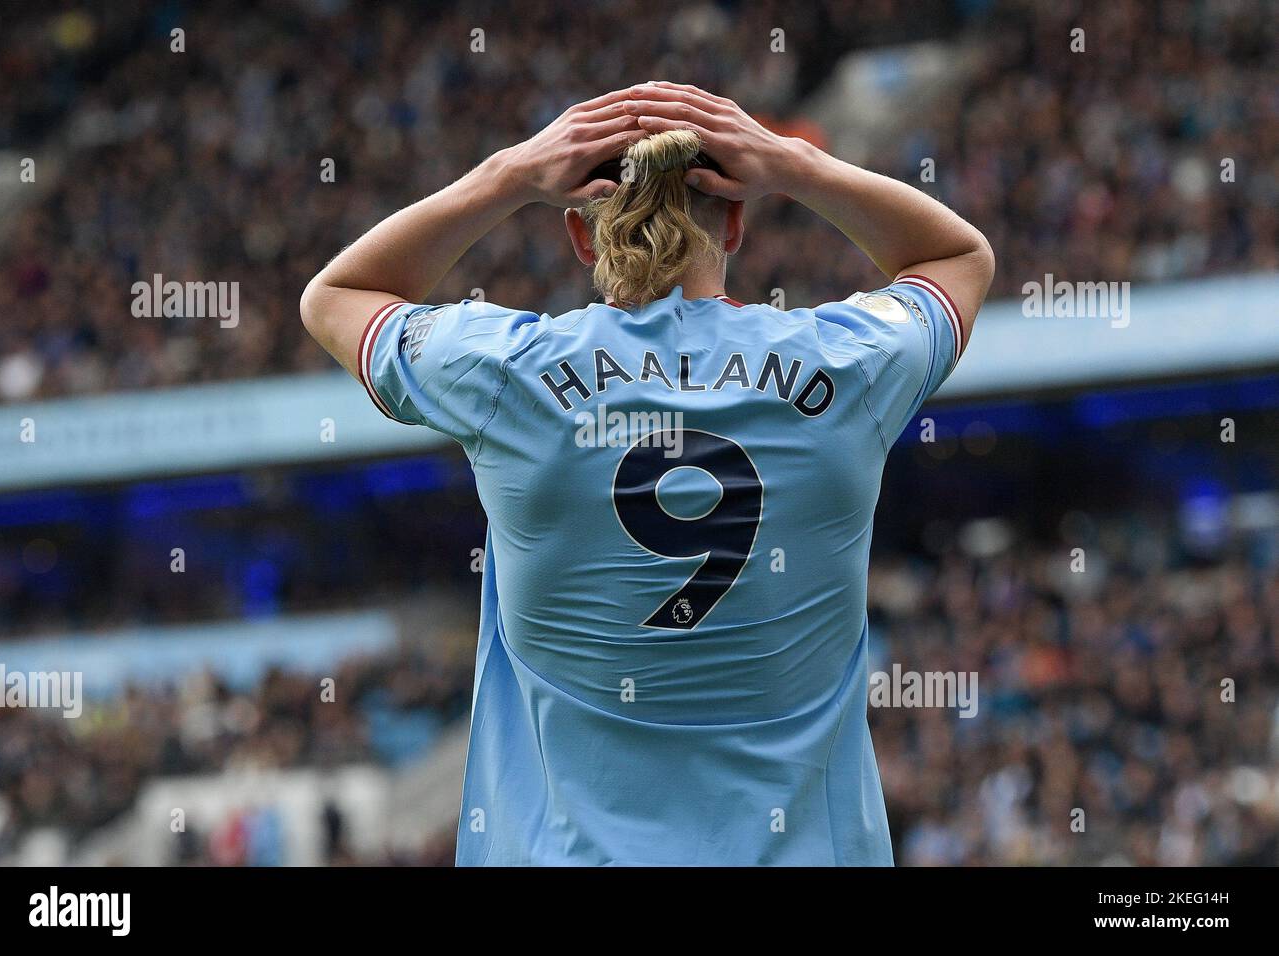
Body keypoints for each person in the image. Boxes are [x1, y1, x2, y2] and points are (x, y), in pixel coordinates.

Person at [300, 81, 994, 865]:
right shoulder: (846, 365)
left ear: (580, 236)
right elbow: (958, 256)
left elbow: (337, 296)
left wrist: (503, 175)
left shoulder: (506, 373)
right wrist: (796, 165)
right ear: (735, 221)